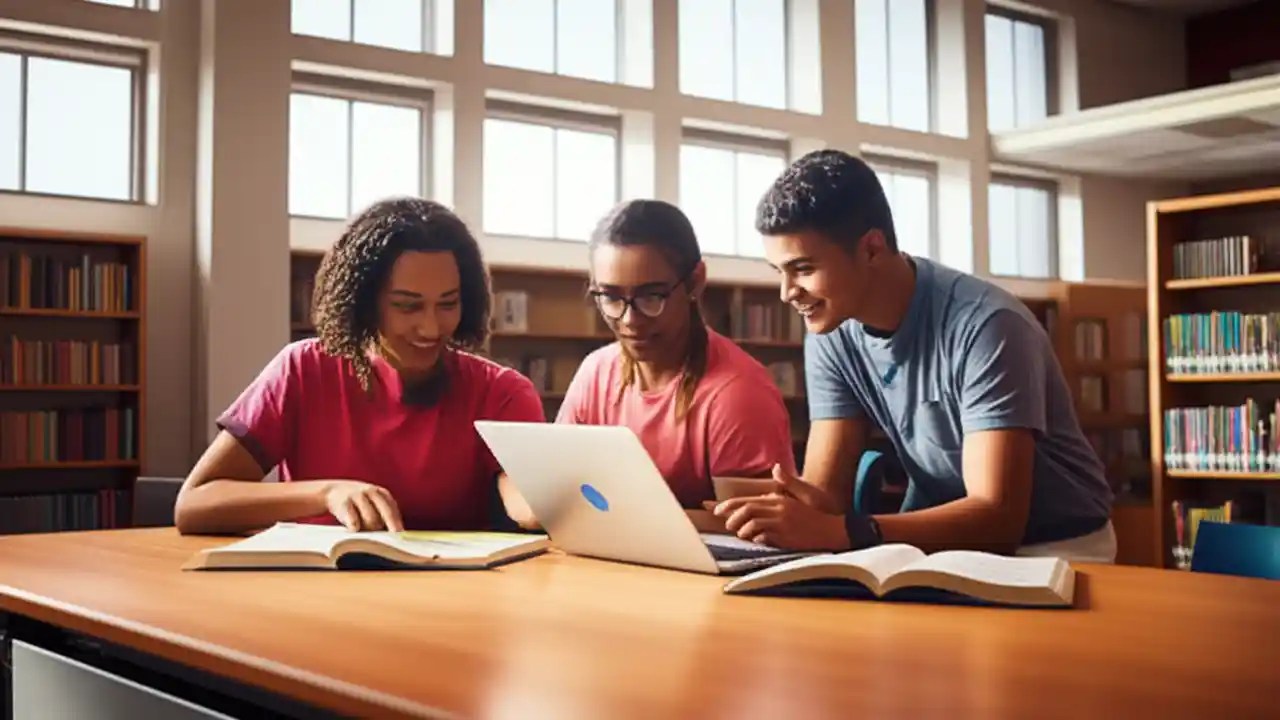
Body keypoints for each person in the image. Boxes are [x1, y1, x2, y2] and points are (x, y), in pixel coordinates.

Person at [712, 149, 1116, 563]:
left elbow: (997, 520)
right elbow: (826, 497)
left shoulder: (988, 325)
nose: (787, 293)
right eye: (778, 271)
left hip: (1053, 546)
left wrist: (841, 530)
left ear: (871, 248)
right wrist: (782, 511)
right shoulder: (831, 330)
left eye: (802, 268)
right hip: (934, 542)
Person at [175, 197, 545, 535]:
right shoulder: (303, 369)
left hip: (447, 600)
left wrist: (536, 504)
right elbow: (194, 505)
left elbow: (528, 504)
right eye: (407, 305)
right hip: (313, 592)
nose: (431, 328)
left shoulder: (501, 392)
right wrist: (326, 493)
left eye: (447, 304)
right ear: (364, 302)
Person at [499, 199, 797, 531]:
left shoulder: (738, 391)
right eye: (610, 297)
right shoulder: (595, 372)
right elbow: (556, 489)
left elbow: (749, 529)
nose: (629, 320)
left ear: (695, 281)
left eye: (651, 297)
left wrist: (608, 515)